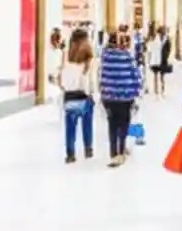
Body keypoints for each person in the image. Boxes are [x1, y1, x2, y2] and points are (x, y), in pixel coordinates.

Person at [99, 31, 142, 167]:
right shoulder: (127, 56)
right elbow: (135, 75)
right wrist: (136, 91)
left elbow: (101, 76)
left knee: (112, 123)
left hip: (109, 97)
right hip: (125, 96)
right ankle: (121, 150)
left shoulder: (104, 58)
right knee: (124, 123)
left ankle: (113, 153)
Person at [59, 29, 98, 163]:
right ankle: (88, 148)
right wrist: (92, 94)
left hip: (69, 97)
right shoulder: (88, 60)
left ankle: (70, 154)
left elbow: (61, 80)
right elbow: (90, 82)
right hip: (84, 97)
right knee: (87, 125)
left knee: (70, 128)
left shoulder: (65, 58)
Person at [150, 26, 172, 97]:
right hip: (156, 60)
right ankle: (156, 91)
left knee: (162, 76)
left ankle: (162, 91)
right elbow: (151, 49)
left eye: (163, 32)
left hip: (163, 60)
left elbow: (169, 49)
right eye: (161, 32)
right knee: (156, 76)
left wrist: (166, 55)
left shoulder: (167, 39)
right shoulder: (155, 39)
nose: (162, 34)